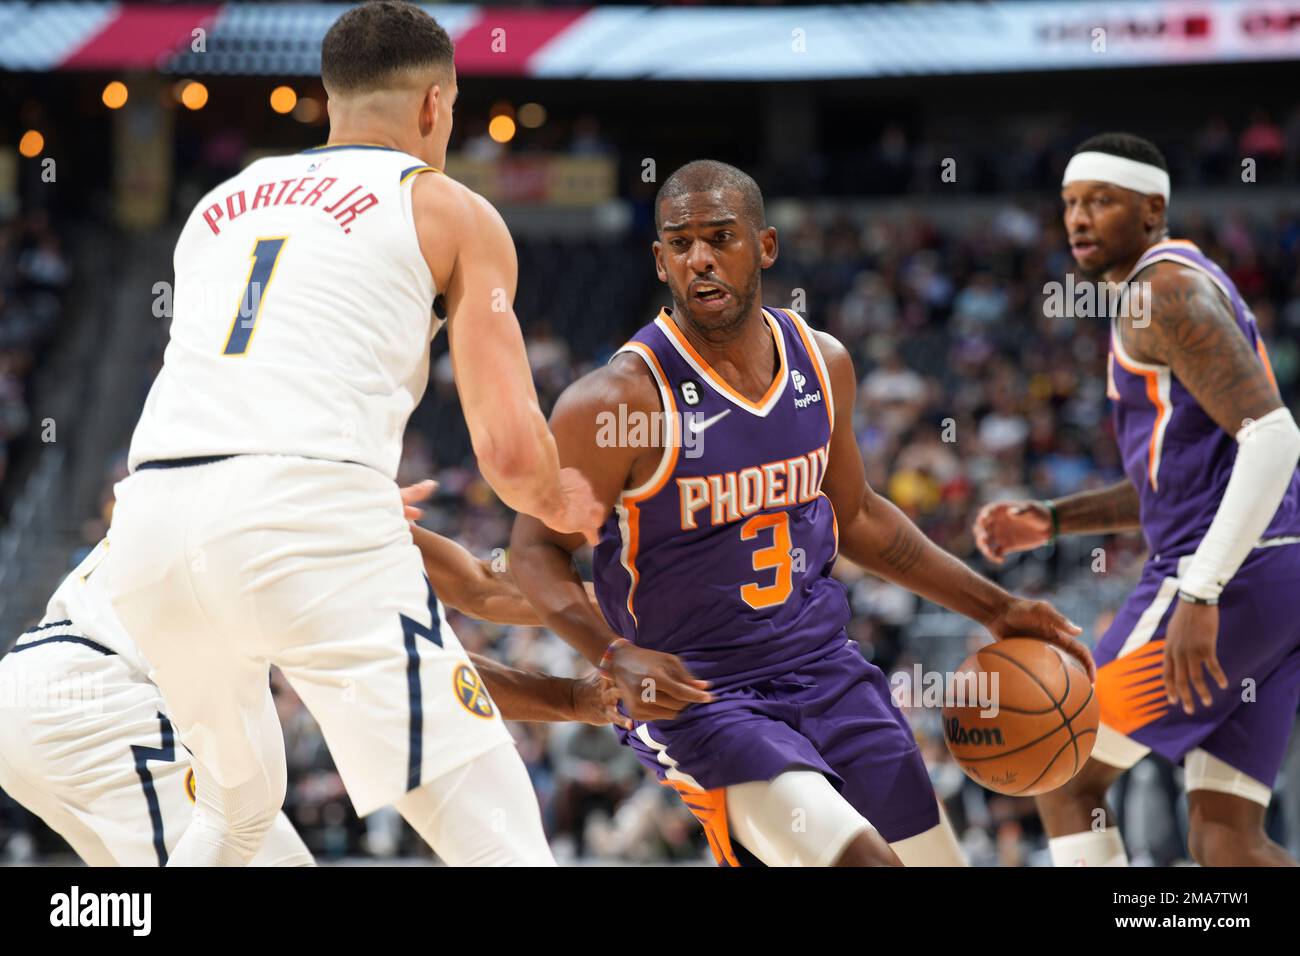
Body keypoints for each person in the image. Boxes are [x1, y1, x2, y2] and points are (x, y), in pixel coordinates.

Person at [99, 2, 600, 866]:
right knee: (499, 831)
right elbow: (514, 461)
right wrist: (575, 503)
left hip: (145, 525)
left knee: (232, 818)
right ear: (437, 105)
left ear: (330, 99)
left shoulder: (218, 203)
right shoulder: (451, 209)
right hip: (300, 517)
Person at [511, 159, 1090, 867]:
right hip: (700, 699)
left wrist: (997, 608)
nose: (701, 258)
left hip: (827, 671)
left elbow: (862, 519)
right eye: (681, 243)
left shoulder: (823, 364)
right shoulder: (616, 402)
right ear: (659, 260)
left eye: (720, 236)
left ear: (766, 246)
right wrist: (612, 652)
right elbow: (534, 549)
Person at [974, 132, 1300, 866]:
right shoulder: (1181, 286)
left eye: (1101, 201)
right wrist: (1057, 520)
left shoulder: (1163, 290)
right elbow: (1180, 479)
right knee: (1227, 844)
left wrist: (1201, 589)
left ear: (1152, 209)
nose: (1079, 219)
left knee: (1055, 764)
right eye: (1069, 204)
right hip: (1275, 575)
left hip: (1231, 576)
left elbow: (1275, 438)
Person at [0, 483, 621, 866]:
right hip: (100, 701)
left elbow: (474, 594)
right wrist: (579, 689)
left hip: (50, 694)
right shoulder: (309, 504)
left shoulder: (220, 474)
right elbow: (463, 614)